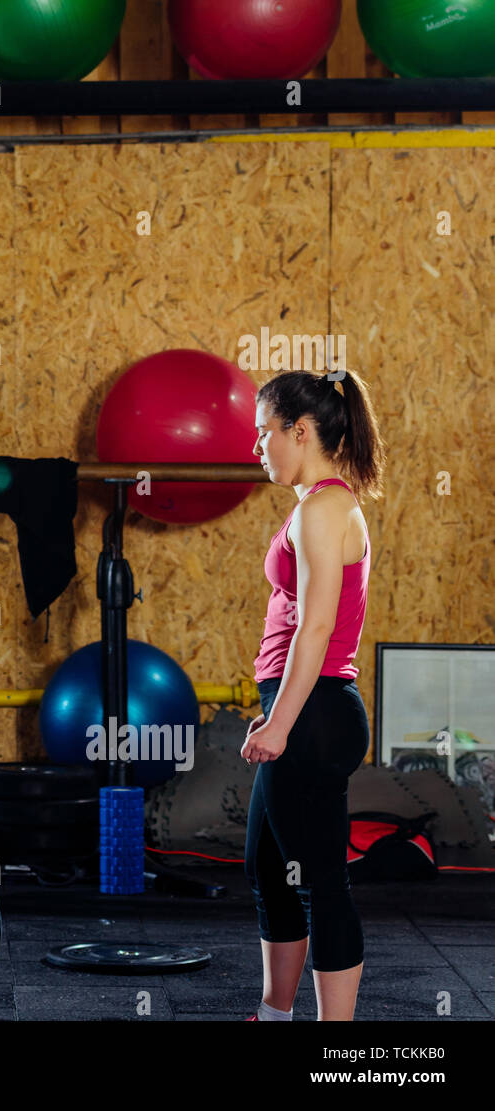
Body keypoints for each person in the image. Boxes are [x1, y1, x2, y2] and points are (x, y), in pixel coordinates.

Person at [242, 367, 385, 1022]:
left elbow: (318, 625)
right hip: (302, 706)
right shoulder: (319, 505)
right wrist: (275, 713)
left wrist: (279, 723)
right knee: (268, 867)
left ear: (299, 431)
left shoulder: (325, 506)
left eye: (263, 432)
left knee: (322, 880)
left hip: (314, 711)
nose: (257, 447)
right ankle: (275, 1015)